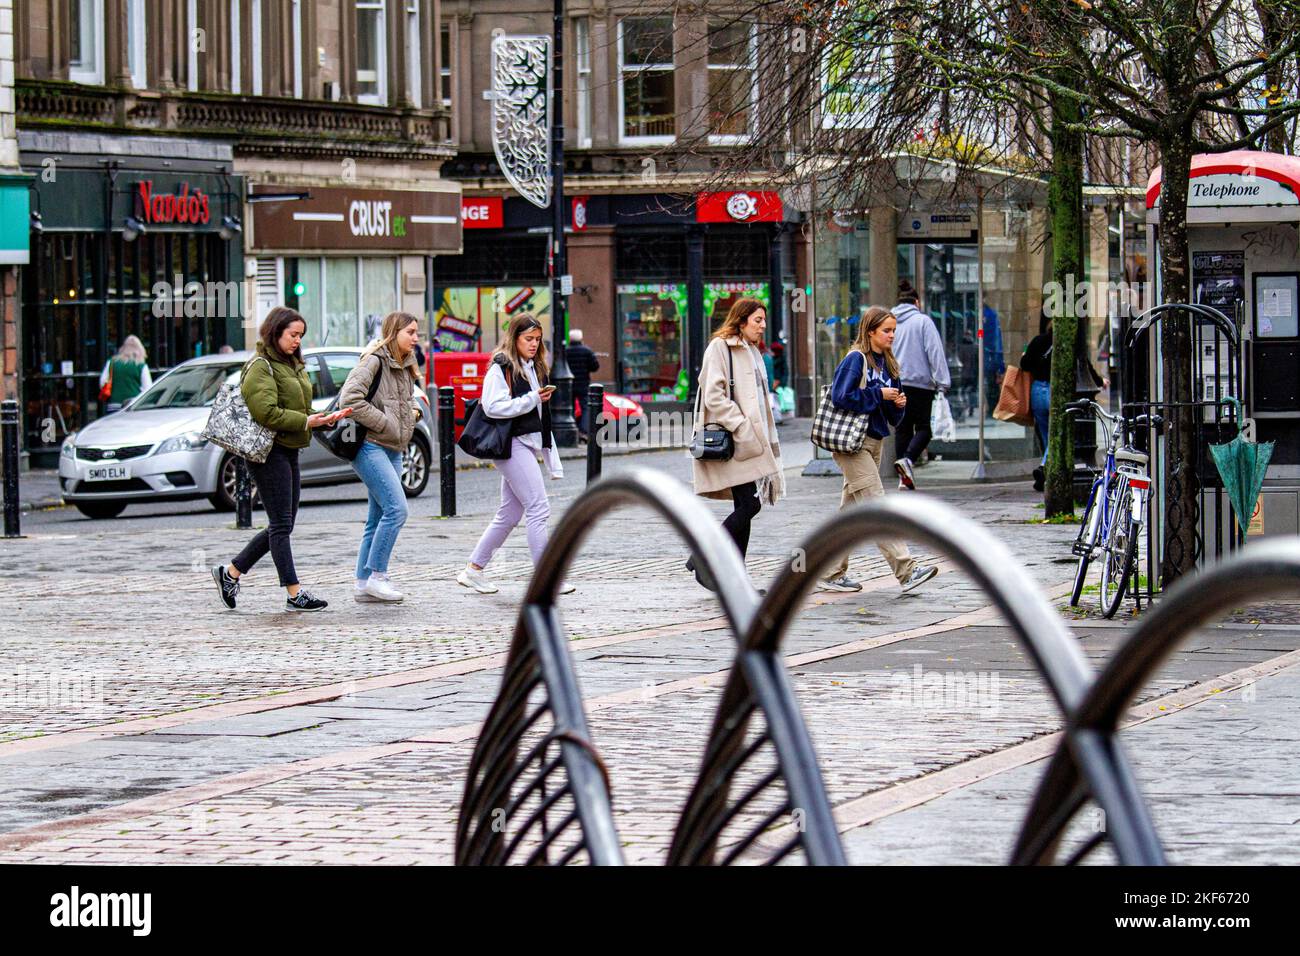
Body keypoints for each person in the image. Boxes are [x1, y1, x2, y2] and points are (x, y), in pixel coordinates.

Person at [211, 307, 344, 612]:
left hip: (289, 448)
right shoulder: (261, 366)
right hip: (267, 452)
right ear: (275, 332)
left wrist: (322, 419)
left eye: (301, 335)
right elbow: (266, 413)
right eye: (292, 335)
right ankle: (294, 593)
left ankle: (230, 573)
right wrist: (306, 422)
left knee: (282, 524)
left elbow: (297, 407)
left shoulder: (291, 363)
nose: (298, 341)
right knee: (281, 525)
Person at [818, 307, 939, 594]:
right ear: (870, 331)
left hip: (874, 441)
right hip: (852, 444)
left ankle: (830, 571)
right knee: (876, 504)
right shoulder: (855, 360)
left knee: (851, 512)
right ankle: (906, 570)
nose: (892, 335)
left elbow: (891, 418)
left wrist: (897, 405)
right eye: (887, 330)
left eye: (894, 330)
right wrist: (878, 394)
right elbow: (841, 396)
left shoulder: (888, 365)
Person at [456, 315, 574, 595]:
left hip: (524, 443)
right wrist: (532, 398)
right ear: (515, 338)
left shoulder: (535, 367)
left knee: (509, 514)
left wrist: (549, 454)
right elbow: (492, 406)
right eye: (528, 339)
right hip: (510, 444)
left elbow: (541, 418)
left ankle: (473, 570)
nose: (534, 344)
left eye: (537, 339)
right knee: (538, 508)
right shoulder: (501, 367)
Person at [687, 297, 784, 592]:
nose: (763, 326)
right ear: (740, 321)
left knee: (746, 505)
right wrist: (741, 425)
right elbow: (713, 396)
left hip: (752, 441)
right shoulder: (720, 347)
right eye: (757, 320)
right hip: (736, 439)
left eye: (764, 320)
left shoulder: (753, 350)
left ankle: (733, 581)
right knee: (750, 504)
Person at [340, 311, 423, 603]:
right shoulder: (374, 359)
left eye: (416, 332)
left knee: (376, 518)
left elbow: (408, 399)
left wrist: (415, 412)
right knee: (397, 510)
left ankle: (363, 583)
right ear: (394, 332)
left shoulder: (405, 363)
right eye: (410, 332)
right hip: (371, 444)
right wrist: (385, 422)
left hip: (393, 447)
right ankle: (378, 575)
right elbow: (349, 400)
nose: (416, 338)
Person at [1021, 309, 1107, 492]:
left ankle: (1047, 470)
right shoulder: (1067, 343)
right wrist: (1100, 381)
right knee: (1057, 433)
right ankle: (1045, 468)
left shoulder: (1037, 341)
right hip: (1055, 391)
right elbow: (1085, 366)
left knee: (1045, 434)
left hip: (1037, 390)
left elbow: (1025, 364)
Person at [890, 280, 950, 489]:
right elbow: (935, 351)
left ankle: (903, 479)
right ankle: (907, 460)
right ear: (917, 302)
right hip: (920, 385)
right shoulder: (923, 321)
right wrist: (943, 381)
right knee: (925, 428)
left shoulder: (889, 322)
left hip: (896, 384)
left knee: (902, 428)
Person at [99, 335, 153, 413]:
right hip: (133, 404)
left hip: (114, 404)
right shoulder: (141, 366)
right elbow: (147, 387)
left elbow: (102, 382)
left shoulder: (111, 362)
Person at [565, 328, 601, 440]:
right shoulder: (587, 351)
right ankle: (584, 431)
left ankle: (572, 429)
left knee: (570, 407)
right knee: (585, 407)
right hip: (583, 383)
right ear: (581, 338)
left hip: (569, 385)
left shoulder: (565, 351)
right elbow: (595, 367)